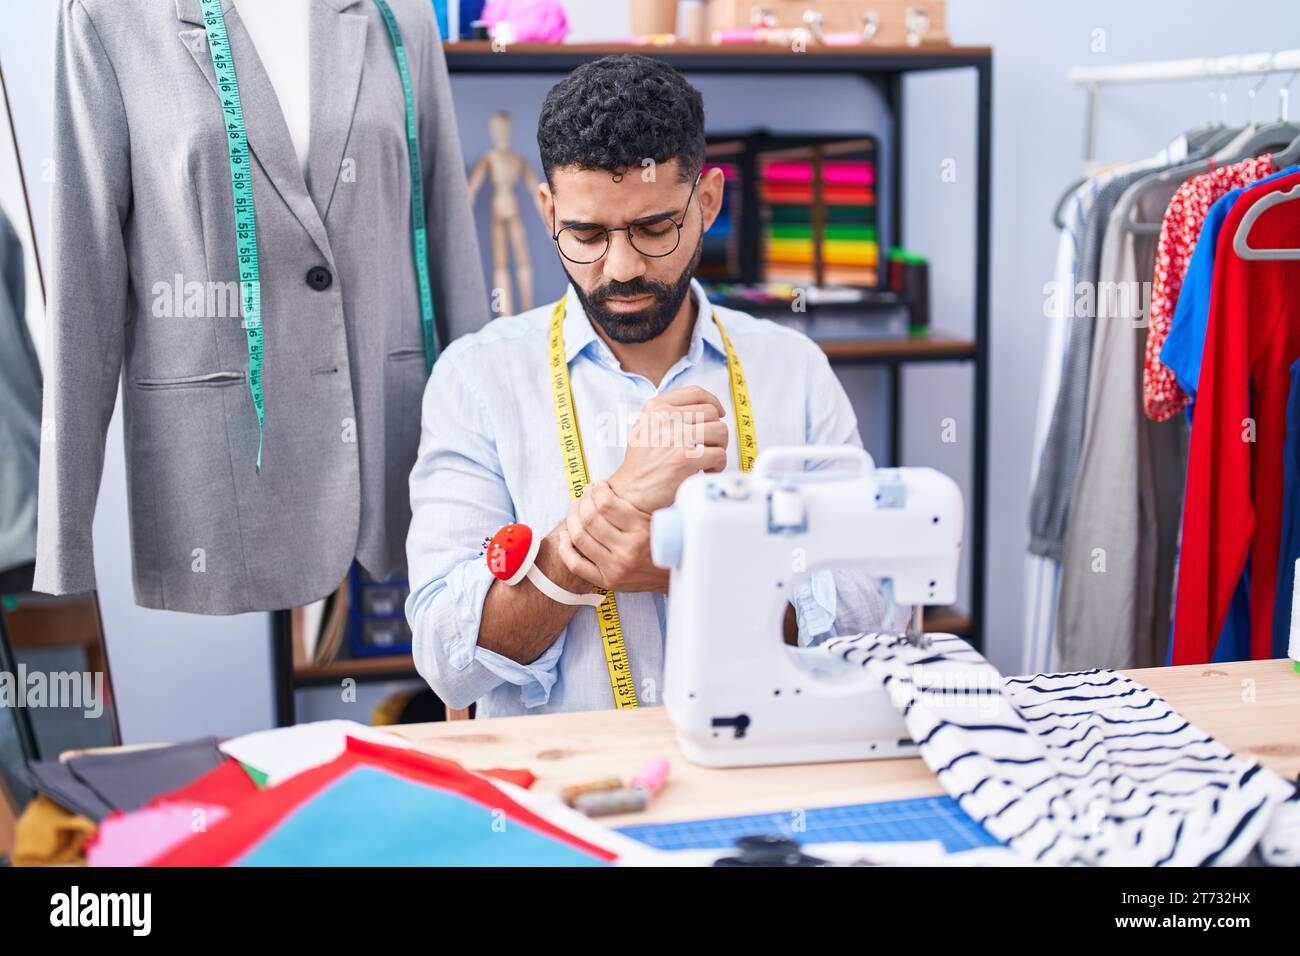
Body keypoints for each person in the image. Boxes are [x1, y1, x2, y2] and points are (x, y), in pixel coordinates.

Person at [407, 54, 886, 717]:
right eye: (586, 234)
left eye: (655, 228)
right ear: (548, 211)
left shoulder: (792, 371)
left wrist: (688, 569)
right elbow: (445, 661)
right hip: (563, 792)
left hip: (763, 773)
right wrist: (598, 532)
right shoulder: (478, 380)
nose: (623, 268)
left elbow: (877, 616)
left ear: (708, 201)